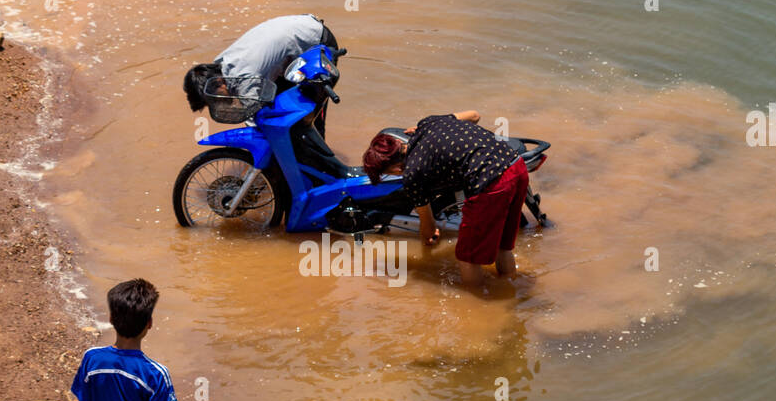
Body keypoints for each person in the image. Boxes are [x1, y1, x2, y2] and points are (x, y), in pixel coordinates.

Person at [362, 111, 529, 285]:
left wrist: (428, 238)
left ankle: (474, 304)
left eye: (387, 173)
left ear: (397, 169)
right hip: (516, 166)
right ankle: (509, 288)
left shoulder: (412, 175)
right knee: (503, 246)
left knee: (467, 258)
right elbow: (474, 116)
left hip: (491, 183)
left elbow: (428, 227)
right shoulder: (427, 123)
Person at [183, 14, 338, 134]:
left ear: (218, 82)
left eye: (213, 99)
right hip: (298, 31)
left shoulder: (245, 77)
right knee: (280, 112)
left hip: (316, 42)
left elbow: (255, 124)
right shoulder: (223, 62)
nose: (218, 103)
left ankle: (321, 171)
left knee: (307, 121)